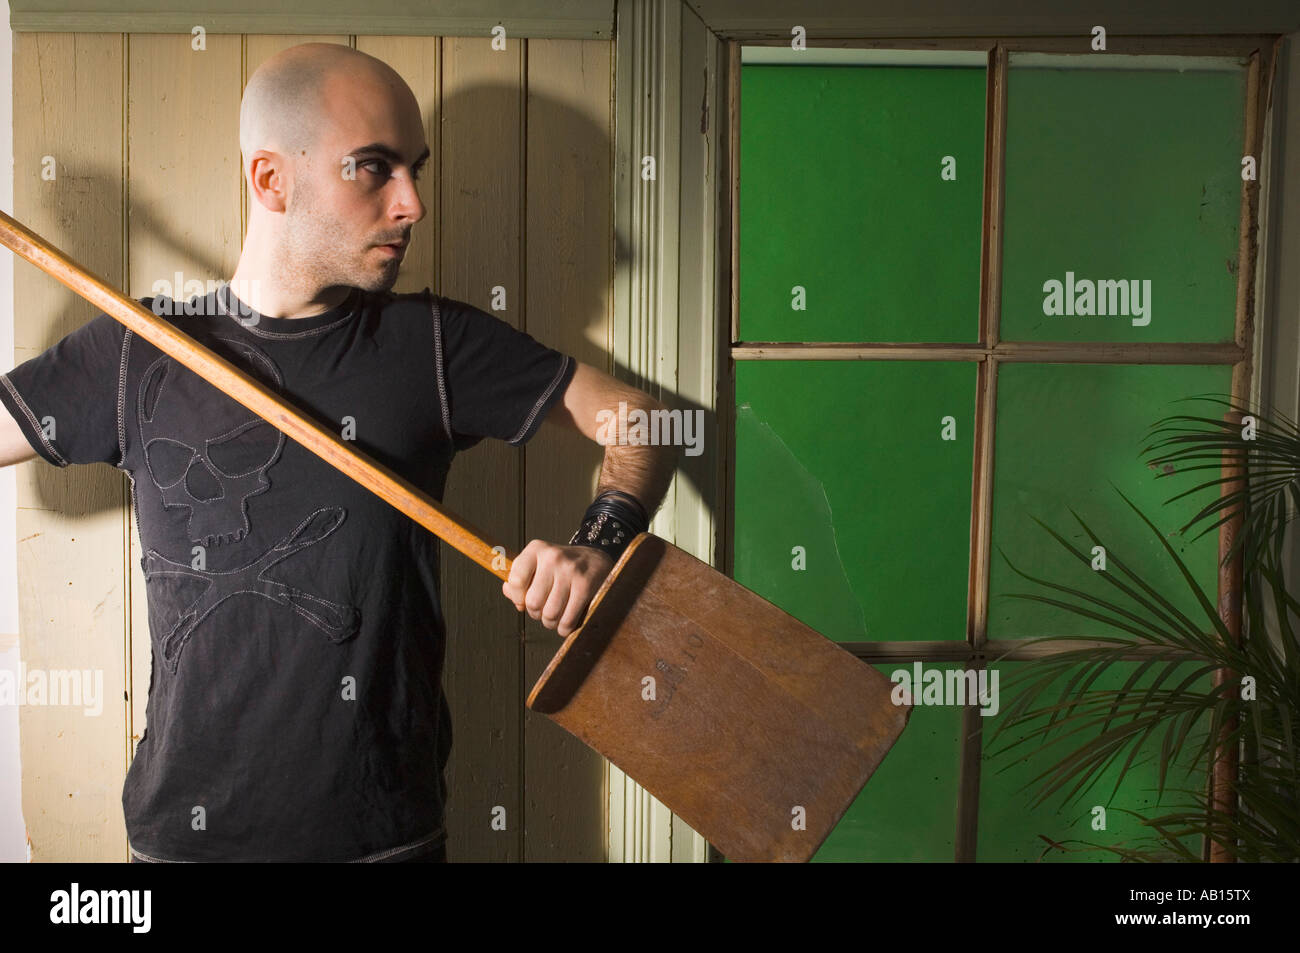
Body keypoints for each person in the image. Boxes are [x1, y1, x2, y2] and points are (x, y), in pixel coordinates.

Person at [0, 42, 676, 862]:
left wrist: (599, 546)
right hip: (184, 841)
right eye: (374, 168)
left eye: (416, 170)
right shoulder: (139, 350)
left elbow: (640, 419)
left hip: (385, 840)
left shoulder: (432, 345)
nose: (414, 204)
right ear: (271, 179)